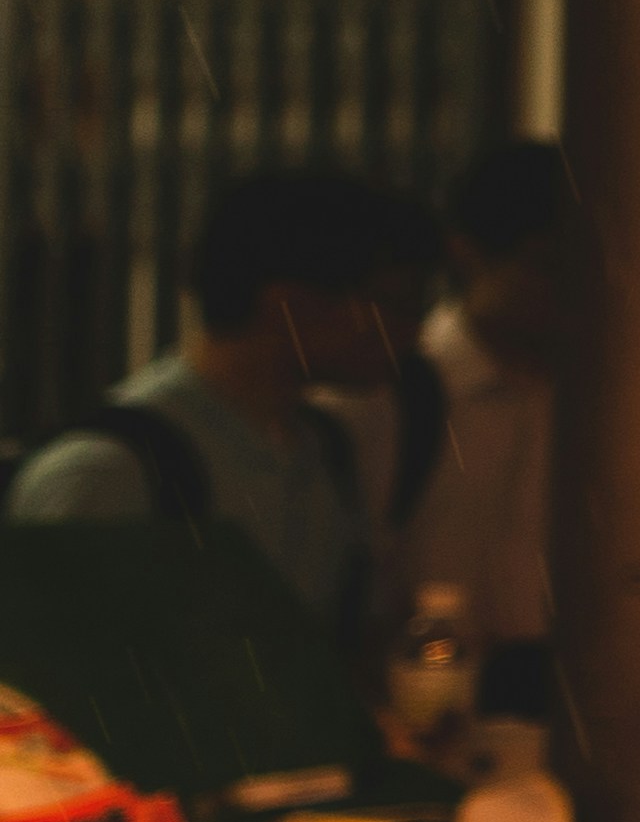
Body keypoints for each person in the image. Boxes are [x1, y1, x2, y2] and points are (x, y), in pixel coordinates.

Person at [14, 162, 438, 632]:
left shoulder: (322, 448)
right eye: (394, 306)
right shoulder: (114, 469)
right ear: (290, 306)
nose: (411, 334)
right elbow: (53, 677)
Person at [392, 140, 574, 727]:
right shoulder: (395, 395)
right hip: (423, 707)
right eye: (549, 265)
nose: (574, 291)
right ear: (468, 254)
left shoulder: (608, 408)